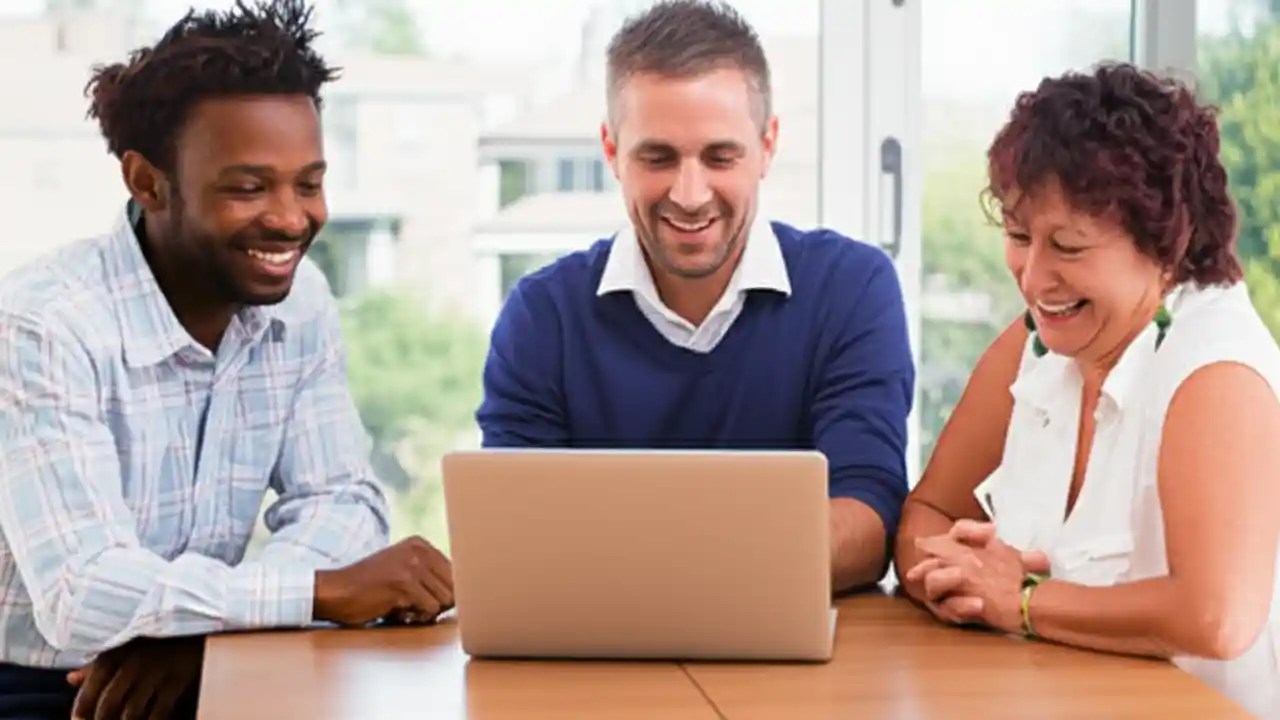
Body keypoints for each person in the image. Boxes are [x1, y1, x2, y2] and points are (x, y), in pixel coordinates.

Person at [0, 2, 453, 718]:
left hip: (217, 660)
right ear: (148, 183)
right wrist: (315, 592)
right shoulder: (43, 323)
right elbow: (83, 592)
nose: (291, 217)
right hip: (37, 686)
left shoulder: (301, 303)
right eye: (248, 187)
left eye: (308, 182)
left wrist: (212, 629)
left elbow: (345, 503)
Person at [476, 0, 915, 596]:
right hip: (598, 658)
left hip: (799, 662)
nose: (689, 194)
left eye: (719, 156)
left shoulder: (850, 288)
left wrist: (645, 564)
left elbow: (866, 518)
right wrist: (738, 557)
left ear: (767, 146)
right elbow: (516, 535)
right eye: (657, 157)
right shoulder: (541, 317)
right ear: (611, 151)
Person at [894, 62, 1280, 717]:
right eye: (1019, 237)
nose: (1033, 277)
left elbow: (1217, 617)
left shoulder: (1216, 372)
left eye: (1068, 248)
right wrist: (948, 577)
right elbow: (926, 514)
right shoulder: (1034, 344)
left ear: (1166, 246)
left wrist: (1018, 599)